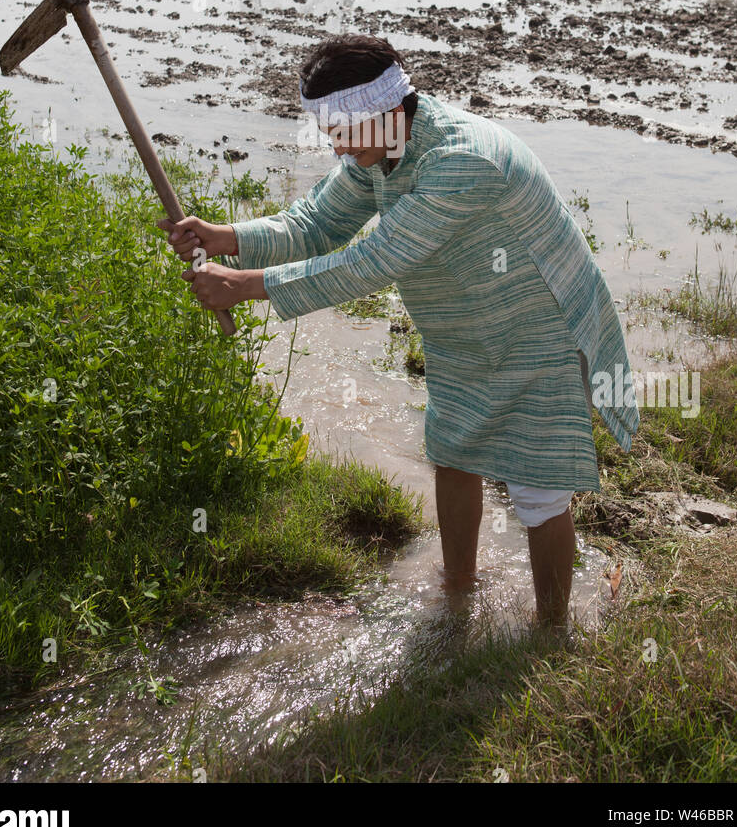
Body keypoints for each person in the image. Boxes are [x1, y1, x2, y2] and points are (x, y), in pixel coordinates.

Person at [158, 34, 639, 633]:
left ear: (386, 110)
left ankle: (549, 633)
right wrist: (228, 236)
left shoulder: (461, 161)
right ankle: (457, 594)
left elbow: (373, 262)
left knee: (538, 487)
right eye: (329, 132)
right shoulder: (380, 149)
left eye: (341, 132)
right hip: (466, 327)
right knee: (453, 450)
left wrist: (245, 285)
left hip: (535, 323)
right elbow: (318, 223)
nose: (335, 146)